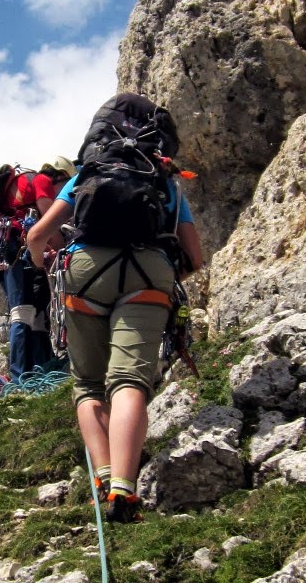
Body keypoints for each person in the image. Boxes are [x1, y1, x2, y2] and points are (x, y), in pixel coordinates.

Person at [25, 99, 203, 522]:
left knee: (89, 384)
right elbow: (195, 259)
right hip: (149, 272)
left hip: (85, 272)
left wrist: (46, 265)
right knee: (130, 380)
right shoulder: (166, 182)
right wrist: (161, 276)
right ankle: (124, 490)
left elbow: (36, 236)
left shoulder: (87, 174)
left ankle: (103, 478)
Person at [0, 157, 75, 382]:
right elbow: (50, 225)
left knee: (35, 310)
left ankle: (39, 365)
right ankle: (19, 376)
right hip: (13, 247)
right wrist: (64, 250)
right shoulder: (42, 181)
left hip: (4, 248)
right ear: (60, 176)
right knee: (22, 310)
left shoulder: (28, 183)